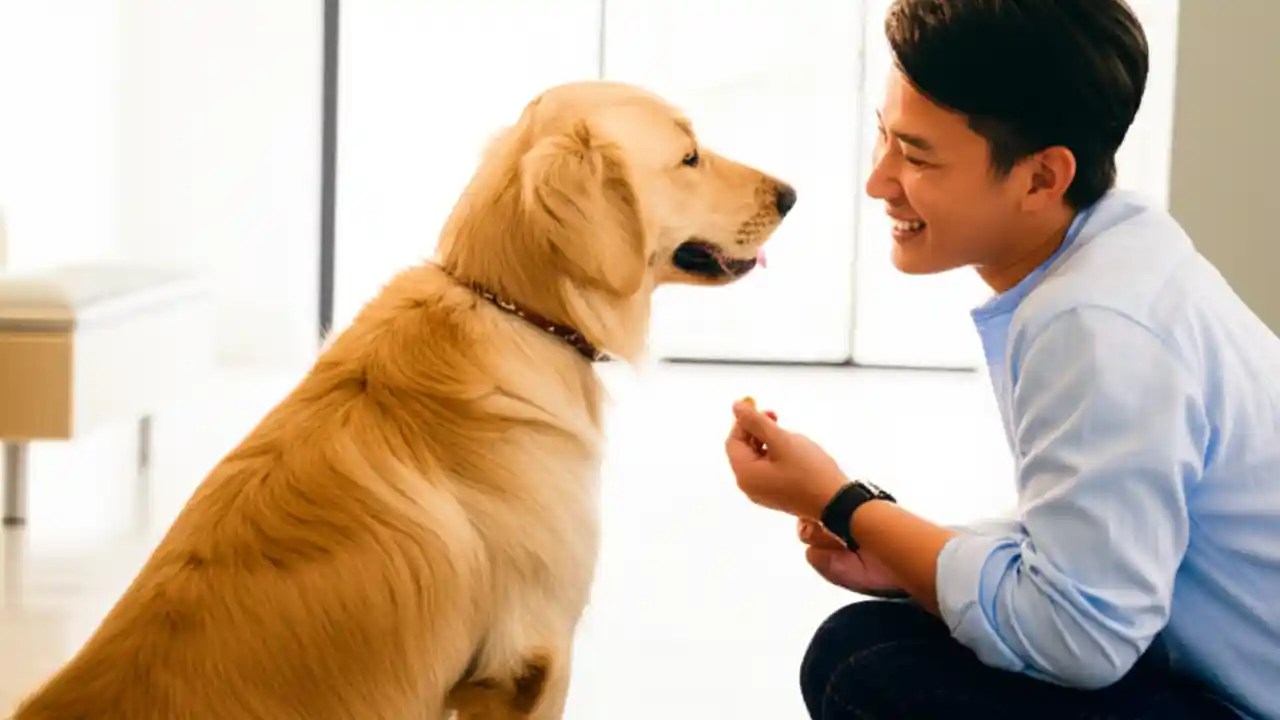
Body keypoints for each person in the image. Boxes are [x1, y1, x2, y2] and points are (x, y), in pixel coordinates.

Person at [723, 1, 1280, 718]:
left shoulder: (1096, 325)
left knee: (864, 667)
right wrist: (898, 544)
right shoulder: (1124, 249)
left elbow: (1080, 635)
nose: (878, 180)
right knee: (875, 644)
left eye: (917, 156)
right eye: (883, 137)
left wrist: (843, 503)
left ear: (1043, 178)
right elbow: (1097, 545)